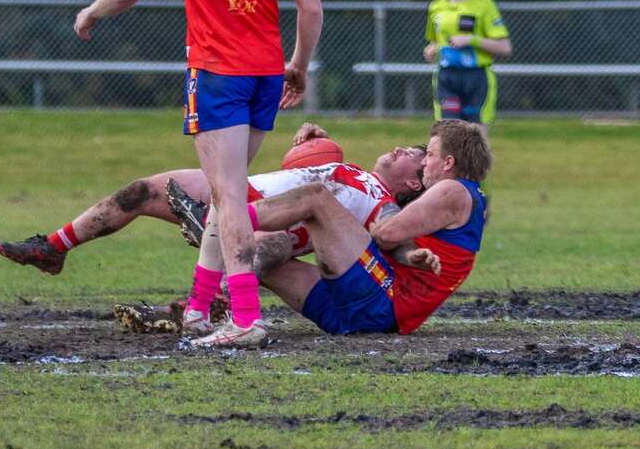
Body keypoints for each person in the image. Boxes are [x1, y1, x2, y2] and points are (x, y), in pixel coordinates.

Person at [72, 0, 323, 348]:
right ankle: (199, 308)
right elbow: (311, 5)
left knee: (228, 195)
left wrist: (93, 11)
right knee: (222, 189)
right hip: (264, 72)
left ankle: (248, 319)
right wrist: (298, 63)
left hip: (218, 71)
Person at [0, 125, 426, 333]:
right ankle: (54, 246)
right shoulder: (349, 168)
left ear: (412, 183)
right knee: (141, 191)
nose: (400, 148)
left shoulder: (381, 201)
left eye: (413, 155)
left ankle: (196, 308)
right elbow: (303, 176)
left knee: (255, 253)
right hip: (243, 190)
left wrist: (411, 254)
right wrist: (311, 145)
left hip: (261, 224)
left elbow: (393, 231)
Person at [198, 120, 491, 347]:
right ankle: (223, 296)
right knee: (265, 259)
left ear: (449, 163)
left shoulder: (453, 189)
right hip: (363, 314)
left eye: (429, 154)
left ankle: (226, 222)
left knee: (317, 196)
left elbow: (387, 234)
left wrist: (376, 226)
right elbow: (389, 231)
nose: (425, 161)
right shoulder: (467, 197)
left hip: (382, 300)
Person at [423, 0, 511, 128]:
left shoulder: (484, 5)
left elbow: (504, 47)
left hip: (476, 77)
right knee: (447, 132)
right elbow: (435, 41)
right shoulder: (436, 7)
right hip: (447, 77)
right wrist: (431, 49)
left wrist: (472, 40)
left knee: (475, 135)